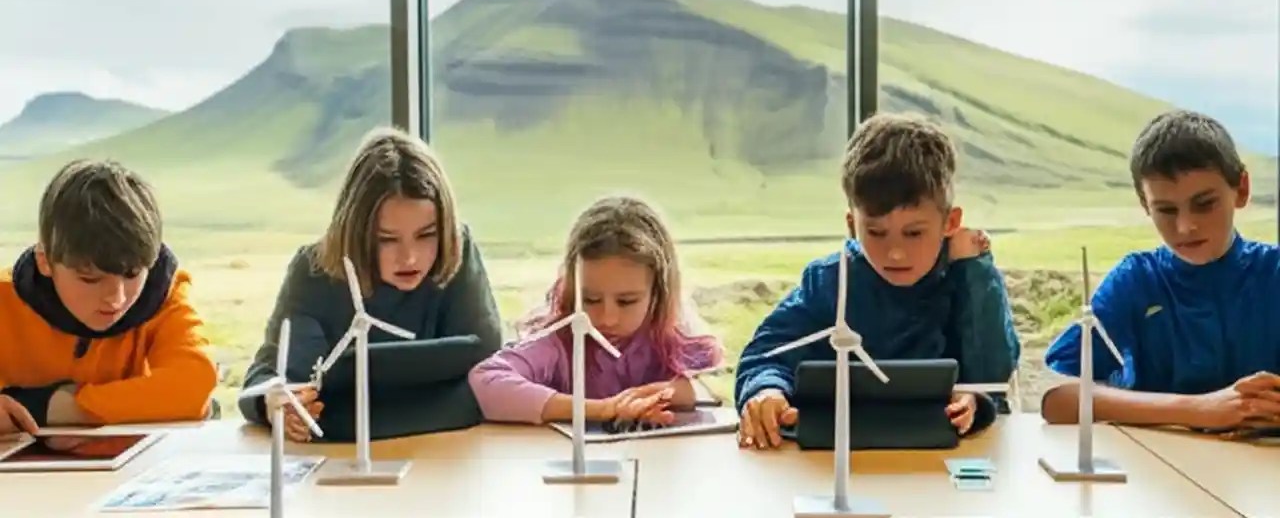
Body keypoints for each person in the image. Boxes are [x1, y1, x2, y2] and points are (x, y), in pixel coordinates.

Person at [735, 112, 1021, 449]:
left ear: (950, 222)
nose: (895, 253)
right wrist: (766, 389)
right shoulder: (830, 282)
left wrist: (975, 270)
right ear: (851, 225)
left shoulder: (966, 278)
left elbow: (994, 373)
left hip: (947, 461)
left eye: (914, 233)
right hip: (837, 459)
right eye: (876, 232)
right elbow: (766, 354)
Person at [238, 127, 503, 441]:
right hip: (337, 462)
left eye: (427, 235)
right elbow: (272, 375)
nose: (410, 259)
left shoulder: (458, 252)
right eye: (386, 240)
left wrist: (344, 410)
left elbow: (488, 369)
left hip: (449, 457)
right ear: (355, 232)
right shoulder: (314, 272)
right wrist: (273, 403)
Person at [1042, 110, 1280, 431]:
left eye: (1205, 203)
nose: (1185, 227)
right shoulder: (1136, 280)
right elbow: (1055, 395)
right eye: (1166, 210)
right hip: (1160, 472)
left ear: (1241, 189)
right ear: (1144, 205)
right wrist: (1199, 408)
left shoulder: (1273, 273)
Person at [0, 159, 217, 433]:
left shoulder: (168, 294)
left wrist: (45, 407)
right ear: (45, 261)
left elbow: (193, 387)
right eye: (90, 279)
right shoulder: (4, 299)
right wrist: (122, 403)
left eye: (132, 275)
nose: (116, 299)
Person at [468, 195, 723, 426]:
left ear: (659, 292)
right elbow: (486, 380)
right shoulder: (561, 336)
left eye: (626, 301)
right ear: (571, 287)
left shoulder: (673, 336)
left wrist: (682, 392)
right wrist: (603, 409)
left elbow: (718, 390)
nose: (606, 318)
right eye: (589, 299)